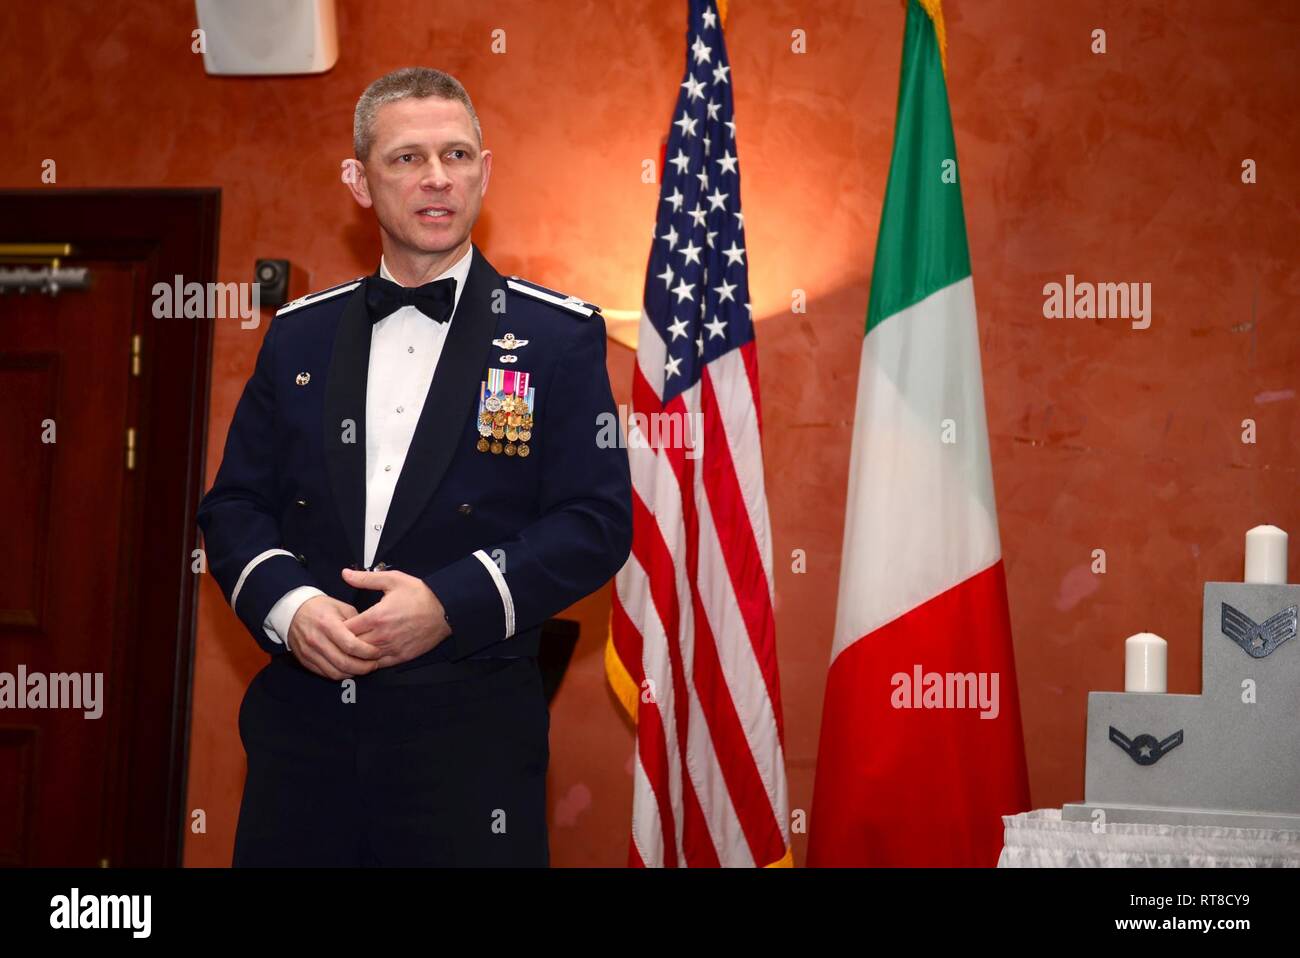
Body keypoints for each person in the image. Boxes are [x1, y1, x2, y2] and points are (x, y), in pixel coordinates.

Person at [197, 66, 632, 866]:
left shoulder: (557, 337)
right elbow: (233, 507)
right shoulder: (298, 334)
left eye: (457, 155)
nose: (437, 177)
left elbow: (595, 523)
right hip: (304, 739)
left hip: (469, 746)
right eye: (405, 158)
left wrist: (449, 601)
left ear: (485, 172)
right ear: (358, 181)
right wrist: (290, 606)